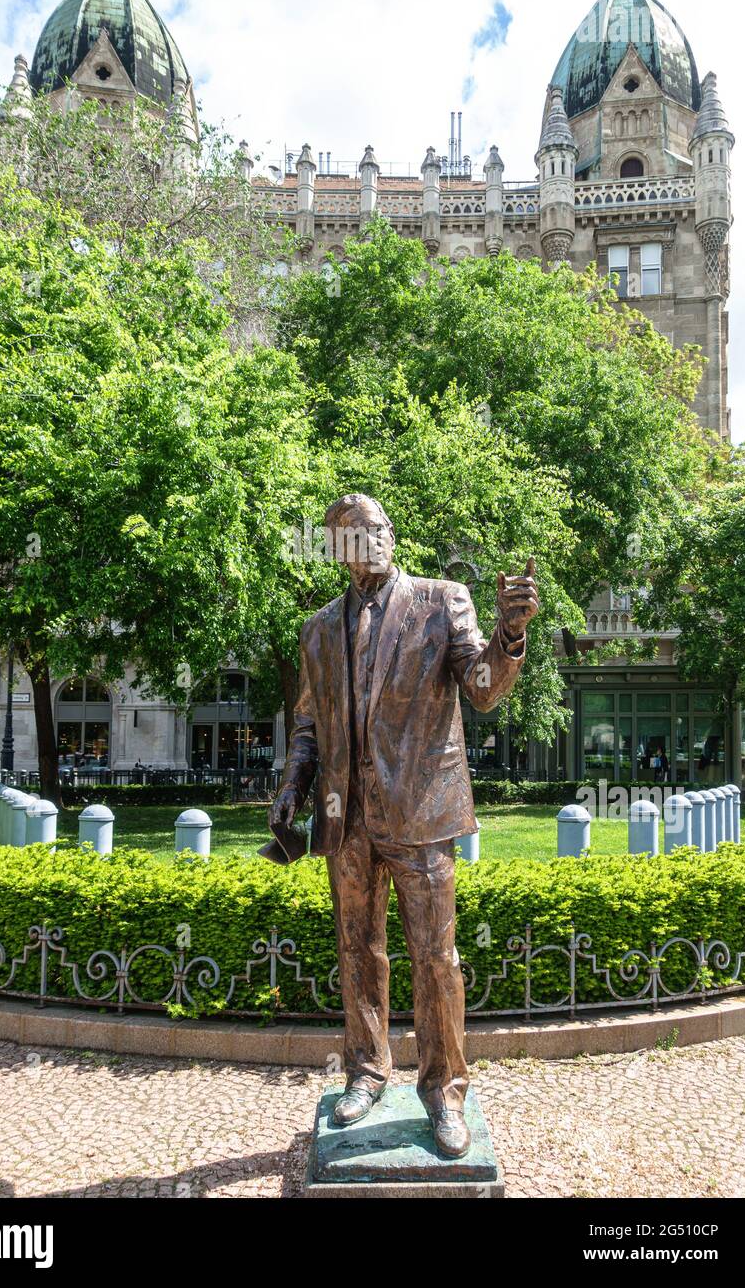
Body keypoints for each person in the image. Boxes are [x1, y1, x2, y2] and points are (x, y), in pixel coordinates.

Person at [263, 494, 539, 1158]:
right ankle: (365, 1071)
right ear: (338, 549)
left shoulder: (441, 601)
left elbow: (481, 687)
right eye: (359, 533)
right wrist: (293, 788)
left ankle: (444, 1093)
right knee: (358, 953)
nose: (376, 539)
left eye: (381, 528)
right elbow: (309, 723)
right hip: (345, 820)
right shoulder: (319, 629)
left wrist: (509, 635)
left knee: (437, 959)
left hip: (420, 814)